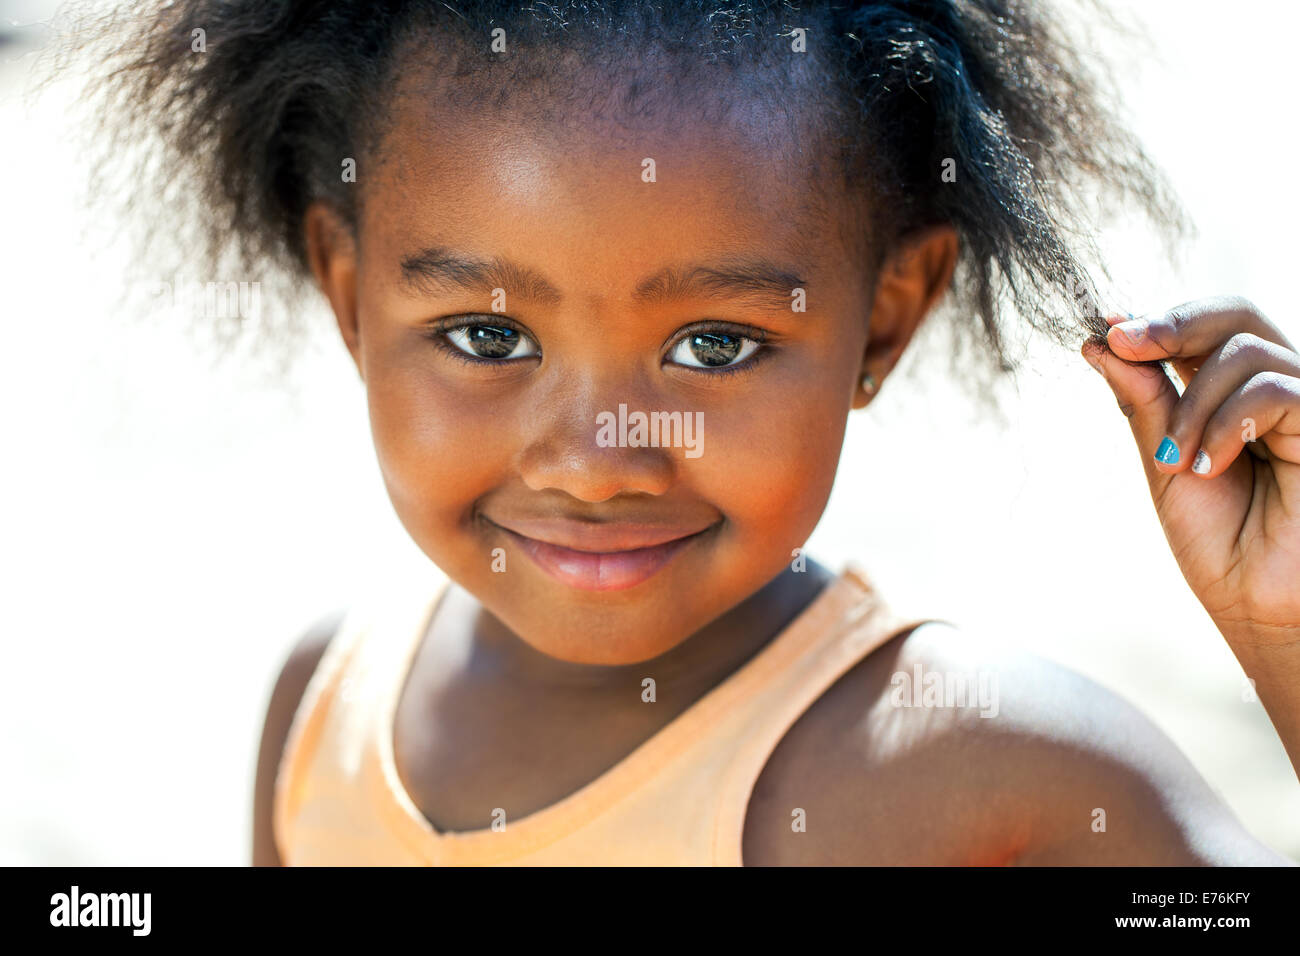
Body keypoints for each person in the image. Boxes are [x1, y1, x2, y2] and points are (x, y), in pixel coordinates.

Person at [59, 0, 1300, 864]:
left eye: (715, 343)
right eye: (488, 338)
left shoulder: (996, 766)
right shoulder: (322, 705)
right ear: (347, 292)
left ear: (884, 319)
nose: (597, 456)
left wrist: (1287, 639)